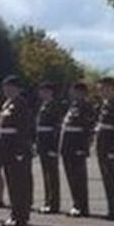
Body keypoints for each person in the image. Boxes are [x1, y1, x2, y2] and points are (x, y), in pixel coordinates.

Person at [0, 76, 33, 226]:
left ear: (17, 89)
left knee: (19, 184)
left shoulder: (20, 104)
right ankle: (15, 214)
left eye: (10, 87)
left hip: (16, 149)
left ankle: (21, 217)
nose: (7, 90)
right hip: (7, 148)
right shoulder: (7, 104)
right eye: (5, 87)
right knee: (12, 183)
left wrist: (20, 149)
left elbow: (24, 129)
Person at [60, 81, 95, 218]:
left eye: (75, 91)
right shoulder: (72, 106)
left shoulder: (86, 107)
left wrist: (83, 147)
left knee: (79, 178)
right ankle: (76, 204)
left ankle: (82, 206)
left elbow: (87, 129)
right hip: (68, 147)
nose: (72, 94)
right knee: (71, 177)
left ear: (82, 93)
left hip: (77, 146)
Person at [94, 78, 114, 219]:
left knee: (113, 179)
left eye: (105, 89)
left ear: (112, 89)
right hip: (102, 147)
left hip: (110, 148)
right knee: (107, 179)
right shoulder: (103, 105)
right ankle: (111, 209)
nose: (102, 92)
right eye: (100, 89)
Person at [34, 82, 64, 214]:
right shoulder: (43, 106)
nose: (42, 93)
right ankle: (48, 201)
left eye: (45, 91)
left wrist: (54, 147)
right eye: (42, 91)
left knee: (52, 174)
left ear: (51, 92)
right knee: (46, 173)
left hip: (50, 143)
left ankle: (53, 203)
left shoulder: (54, 106)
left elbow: (57, 128)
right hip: (43, 142)